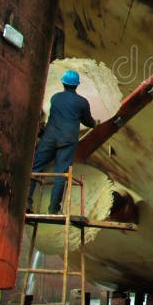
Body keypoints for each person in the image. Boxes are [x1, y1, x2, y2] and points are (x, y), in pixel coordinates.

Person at [26, 69, 96, 214]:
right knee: (61, 174)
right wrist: (95, 124)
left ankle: (26, 202)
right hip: (68, 140)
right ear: (77, 85)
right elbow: (87, 121)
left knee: (36, 168)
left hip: (50, 138)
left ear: (63, 83)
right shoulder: (82, 102)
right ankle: (53, 210)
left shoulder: (55, 98)